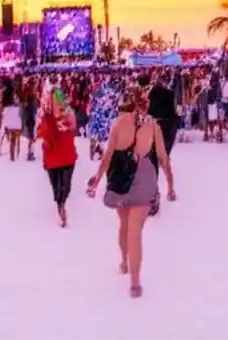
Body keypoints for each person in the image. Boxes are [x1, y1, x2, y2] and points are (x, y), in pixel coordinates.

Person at [87, 87, 175, 299]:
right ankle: (135, 283)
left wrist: (97, 178)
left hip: (120, 179)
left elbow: (108, 154)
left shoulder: (119, 123)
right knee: (136, 231)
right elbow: (163, 158)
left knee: (124, 225)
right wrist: (171, 185)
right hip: (144, 177)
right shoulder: (153, 126)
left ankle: (125, 263)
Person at [38, 93, 78, 227]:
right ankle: (61, 204)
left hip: (55, 157)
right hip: (66, 156)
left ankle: (60, 204)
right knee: (65, 184)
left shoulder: (48, 116)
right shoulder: (69, 115)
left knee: (57, 185)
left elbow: (44, 136)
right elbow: (73, 131)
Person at [1, 81, 23, 162]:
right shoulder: (19, 93)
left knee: (12, 137)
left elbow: (4, 105)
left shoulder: (6, 94)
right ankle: (15, 153)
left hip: (10, 114)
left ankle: (12, 155)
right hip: (16, 115)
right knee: (15, 136)